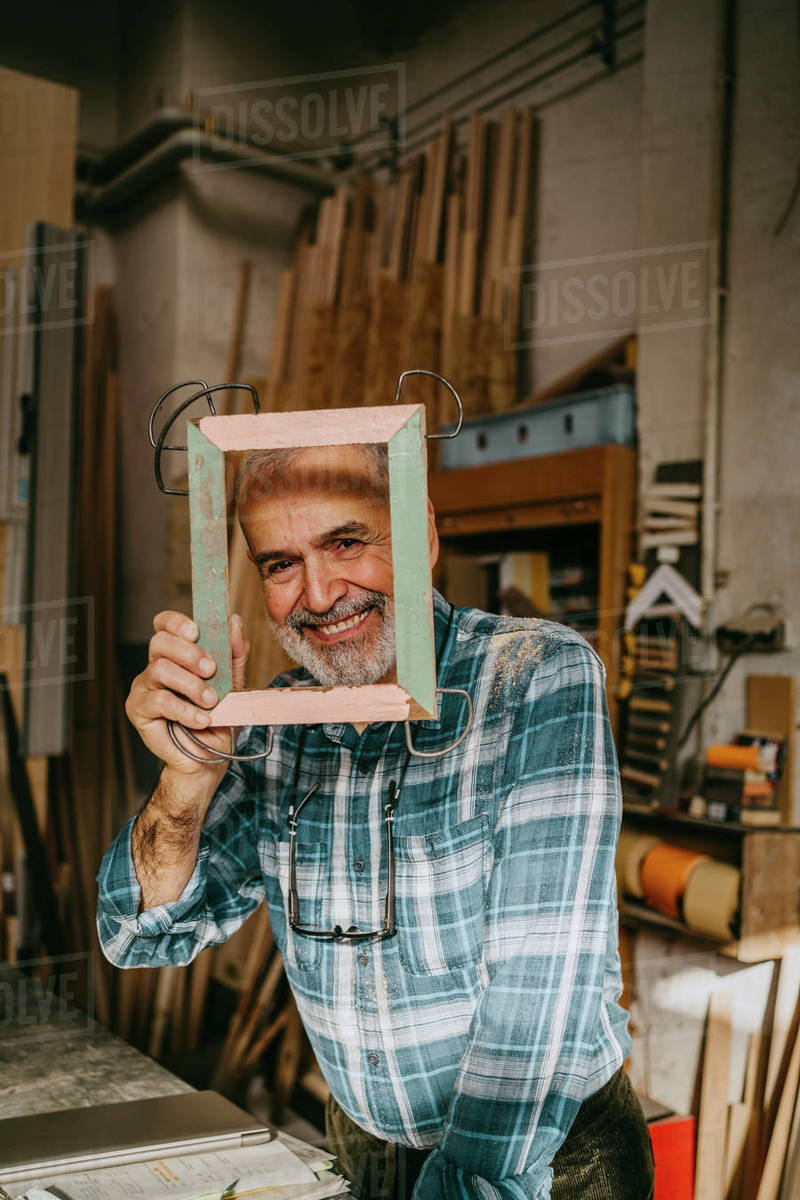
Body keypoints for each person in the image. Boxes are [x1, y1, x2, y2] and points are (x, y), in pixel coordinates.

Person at [97, 442, 655, 1199]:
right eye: (280, 564)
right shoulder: (273, 725)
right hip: (370, 1148)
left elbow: (538, 989)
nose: (320, 594)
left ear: (421, 534)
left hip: (550, 1157)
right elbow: (139, 935)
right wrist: (187, 779)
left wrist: (463, 1183)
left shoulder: (536, 677)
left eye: (346, 543)